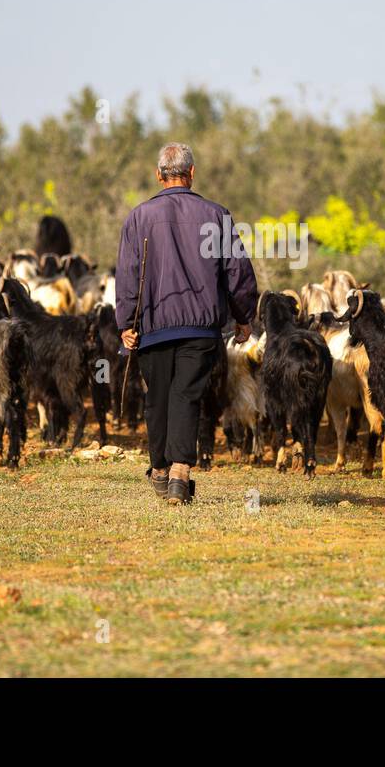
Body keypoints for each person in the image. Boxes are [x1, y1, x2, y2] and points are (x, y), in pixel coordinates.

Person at [116, 142, 257, 505]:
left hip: (152, 326)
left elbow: (129, 275)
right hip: (200, 329)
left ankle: (162, 471)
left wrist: (126, 321)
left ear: (158, 174)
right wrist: (244, 317)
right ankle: (179, 473)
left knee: (158, 398)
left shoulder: (138, 218)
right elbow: (236, 271)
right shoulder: (216, 215)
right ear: (192, 173)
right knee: (186, 396)